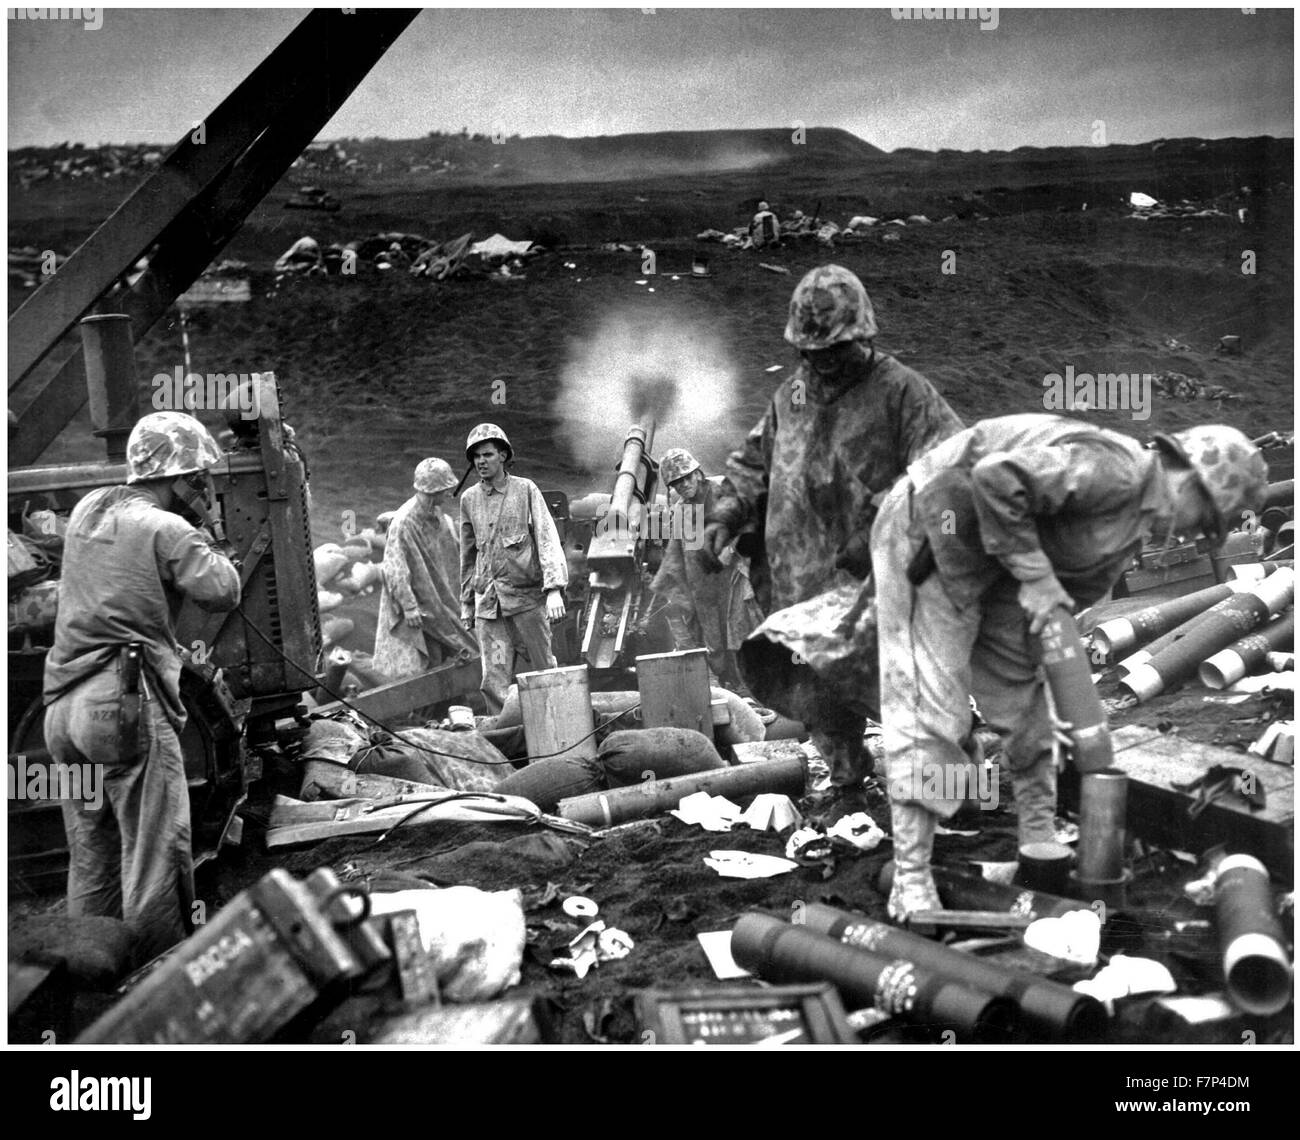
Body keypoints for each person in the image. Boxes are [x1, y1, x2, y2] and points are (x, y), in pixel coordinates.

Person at [872, 415, 1270, 919]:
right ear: (1193, 480)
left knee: (1033, 719)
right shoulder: (1114, 471)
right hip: (930, 533)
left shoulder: (1134, 527)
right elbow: (996, 477)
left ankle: (1039, 853)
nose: (1198, 534)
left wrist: (1054, 688)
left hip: (997, 558)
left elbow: (1054, 613)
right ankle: (909, 879)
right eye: (1207, 518)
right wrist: (1037, 579)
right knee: (932, 709)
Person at [704, 264, 963, 789]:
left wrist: (883, 529)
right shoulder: (793, 396)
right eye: (810, 352)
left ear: (861, 336)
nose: (820, 363)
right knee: (820, 697)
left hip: (880, 588)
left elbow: (950, 468)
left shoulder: (902, 394)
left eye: (833, 350)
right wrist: (727, 512)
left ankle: (954, 790)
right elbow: (755, 461)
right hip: (802, 592)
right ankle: (849, 785)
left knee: (905, 691)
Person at [43, 411, 241, 960]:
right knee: (156, 845)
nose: (201, 485)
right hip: (121, 704)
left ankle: (87, 976)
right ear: (182, 478)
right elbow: (223, 590)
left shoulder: (89, 508)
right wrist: (211, 529)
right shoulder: (167, 528)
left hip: (61, 708)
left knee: (92, 848)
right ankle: (155, 975)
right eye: (197, 477)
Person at [459, 423, 568, 714]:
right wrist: (467, 603)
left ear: (503, 455)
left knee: (544, 670)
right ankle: (505, 742)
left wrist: (554, 589)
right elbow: (468, 556)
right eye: (476, 457)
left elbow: (546, 538)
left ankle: (557, 730)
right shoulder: (469, 500)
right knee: (494, 679)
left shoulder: (525, 490)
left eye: (488, 454)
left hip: (526, 602)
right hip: (490, 607)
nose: (481, 461)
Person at [650, 447, 764, 690]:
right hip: (708, 581)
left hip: (740, 571)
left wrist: (731, 550)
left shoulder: (724, 490)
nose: (684, 486)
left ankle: (751, 683)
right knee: (712, 638)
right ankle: (724, 684)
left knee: (741, 627)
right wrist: (679, 589)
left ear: (697, 473)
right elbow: (684, 555)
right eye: (676, 483)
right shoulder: (681, 509)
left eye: (687, 478)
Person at [373, 458, 478, 681]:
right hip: (419, 603)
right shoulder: (404, 522)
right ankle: (428, 706)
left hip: (439, 595)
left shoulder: (437, 515)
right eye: (444, 490)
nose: (448, 495)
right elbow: (395, 568)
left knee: (455, 642)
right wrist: (409, 606)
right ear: (433, 491)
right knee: (428, 656)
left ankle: (449, 699)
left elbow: (449, 548)